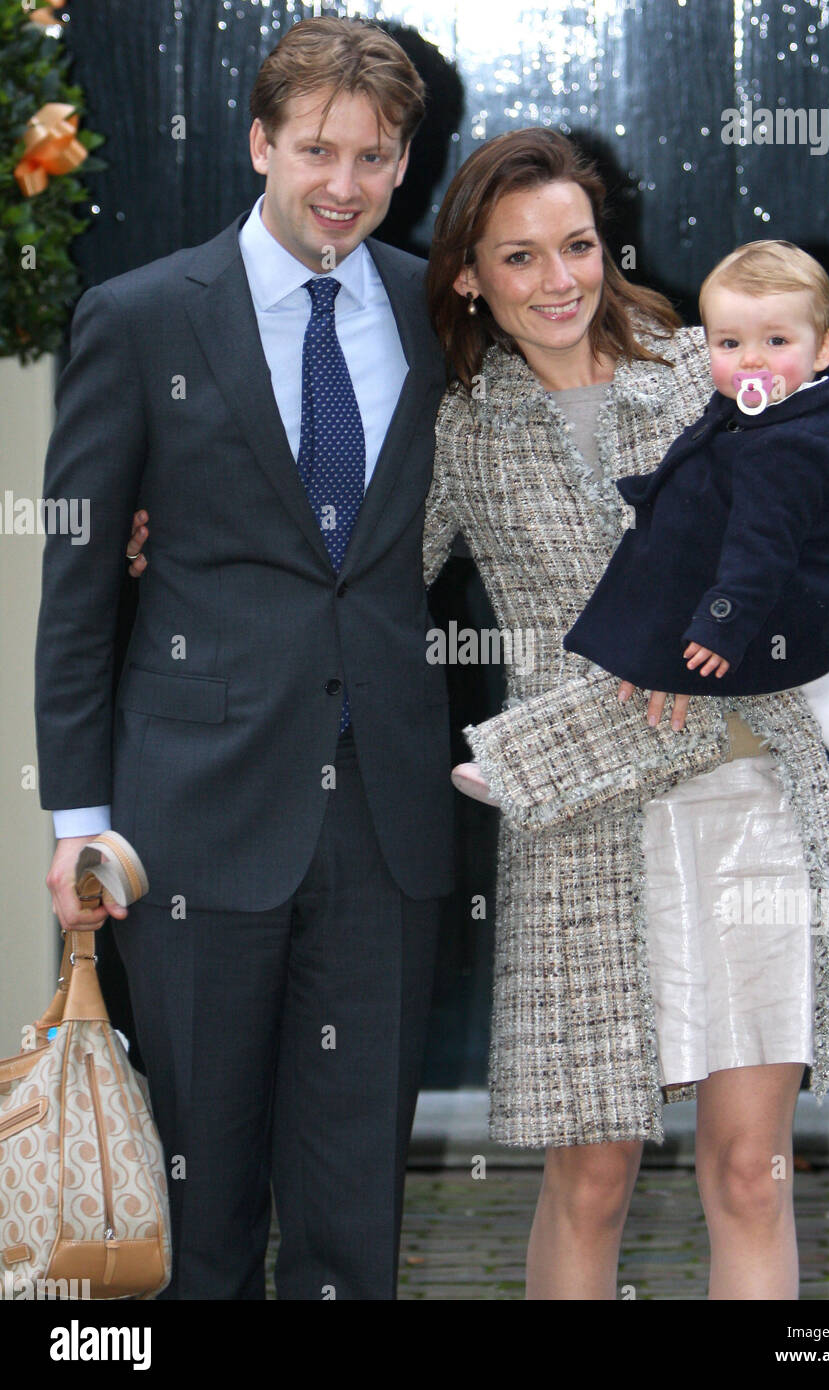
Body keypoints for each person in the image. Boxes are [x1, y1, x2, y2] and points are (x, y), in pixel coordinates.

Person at [419, 128, 829, 1299]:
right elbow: (354, 586)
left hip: (754, 795)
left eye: (578, 246)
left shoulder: (716, 358)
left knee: (752, 1172)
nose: (558, 281)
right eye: (520, 257)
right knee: (589, 1182)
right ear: (469, 277)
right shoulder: (456, 427)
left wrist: (717, 643)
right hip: (581, 822)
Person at [34, 16, 453, 1300]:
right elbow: (80, 584)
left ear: (403, 165)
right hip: (193, 814)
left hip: (383, 813)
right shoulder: (143, 317)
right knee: (199, 1196)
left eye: (375, 157)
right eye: (318, 149)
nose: (345, 183)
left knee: (350, 1198)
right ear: (260, 140)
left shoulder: (438, 316)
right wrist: (80, 817)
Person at [557, 240, 829, 891]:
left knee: (654, 660)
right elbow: (706, 454)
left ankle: (546, 772)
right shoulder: (802, 404)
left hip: (797, 587)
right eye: (729, 344)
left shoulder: (781, 443)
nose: (750, 359)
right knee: (827, 697)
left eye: (775, 340)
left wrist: (722, 623)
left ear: (823, 349)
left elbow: (761, 548)